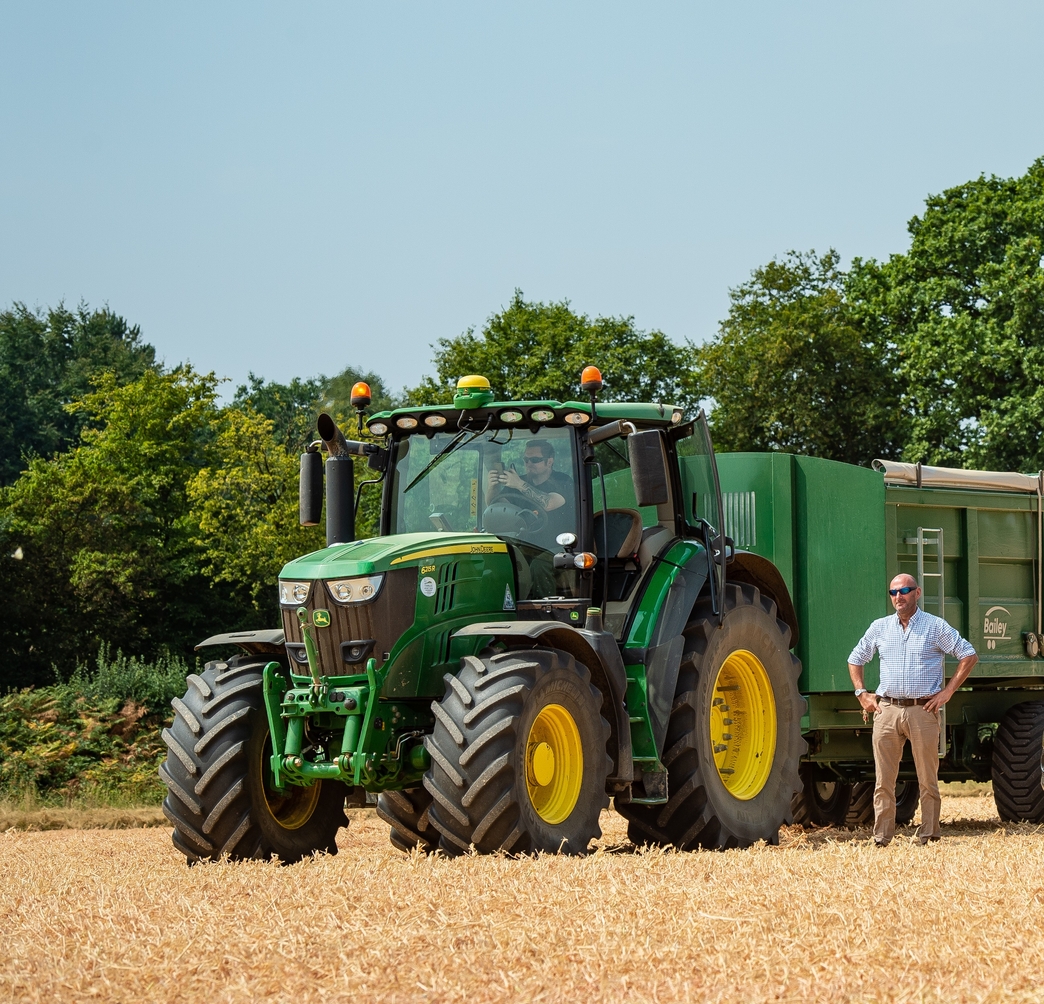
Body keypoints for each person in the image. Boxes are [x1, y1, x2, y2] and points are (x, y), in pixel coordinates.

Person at [847, 573, 977, 846]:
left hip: (922, 710)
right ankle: (882, 837)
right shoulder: (880, 627)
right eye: (893, 592)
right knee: (883, 780)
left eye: (904, 590)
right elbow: (855, 658)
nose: (898, 596)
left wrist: (948, 691)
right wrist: (862, 693)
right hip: (887, 711)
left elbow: (968, 654)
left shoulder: (934, 627)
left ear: (917, 593)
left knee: (927, 778)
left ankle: (929, 834)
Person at [485, 438, 575, 541]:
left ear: (549, 461)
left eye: (534, 460)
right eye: (526, 460)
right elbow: (496, 507)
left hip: (558, 548)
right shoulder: (518, 481)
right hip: (523, 546)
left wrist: (519, 484)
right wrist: (492, 487)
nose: (528, 464)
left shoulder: (563, 481)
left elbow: (549, 503)